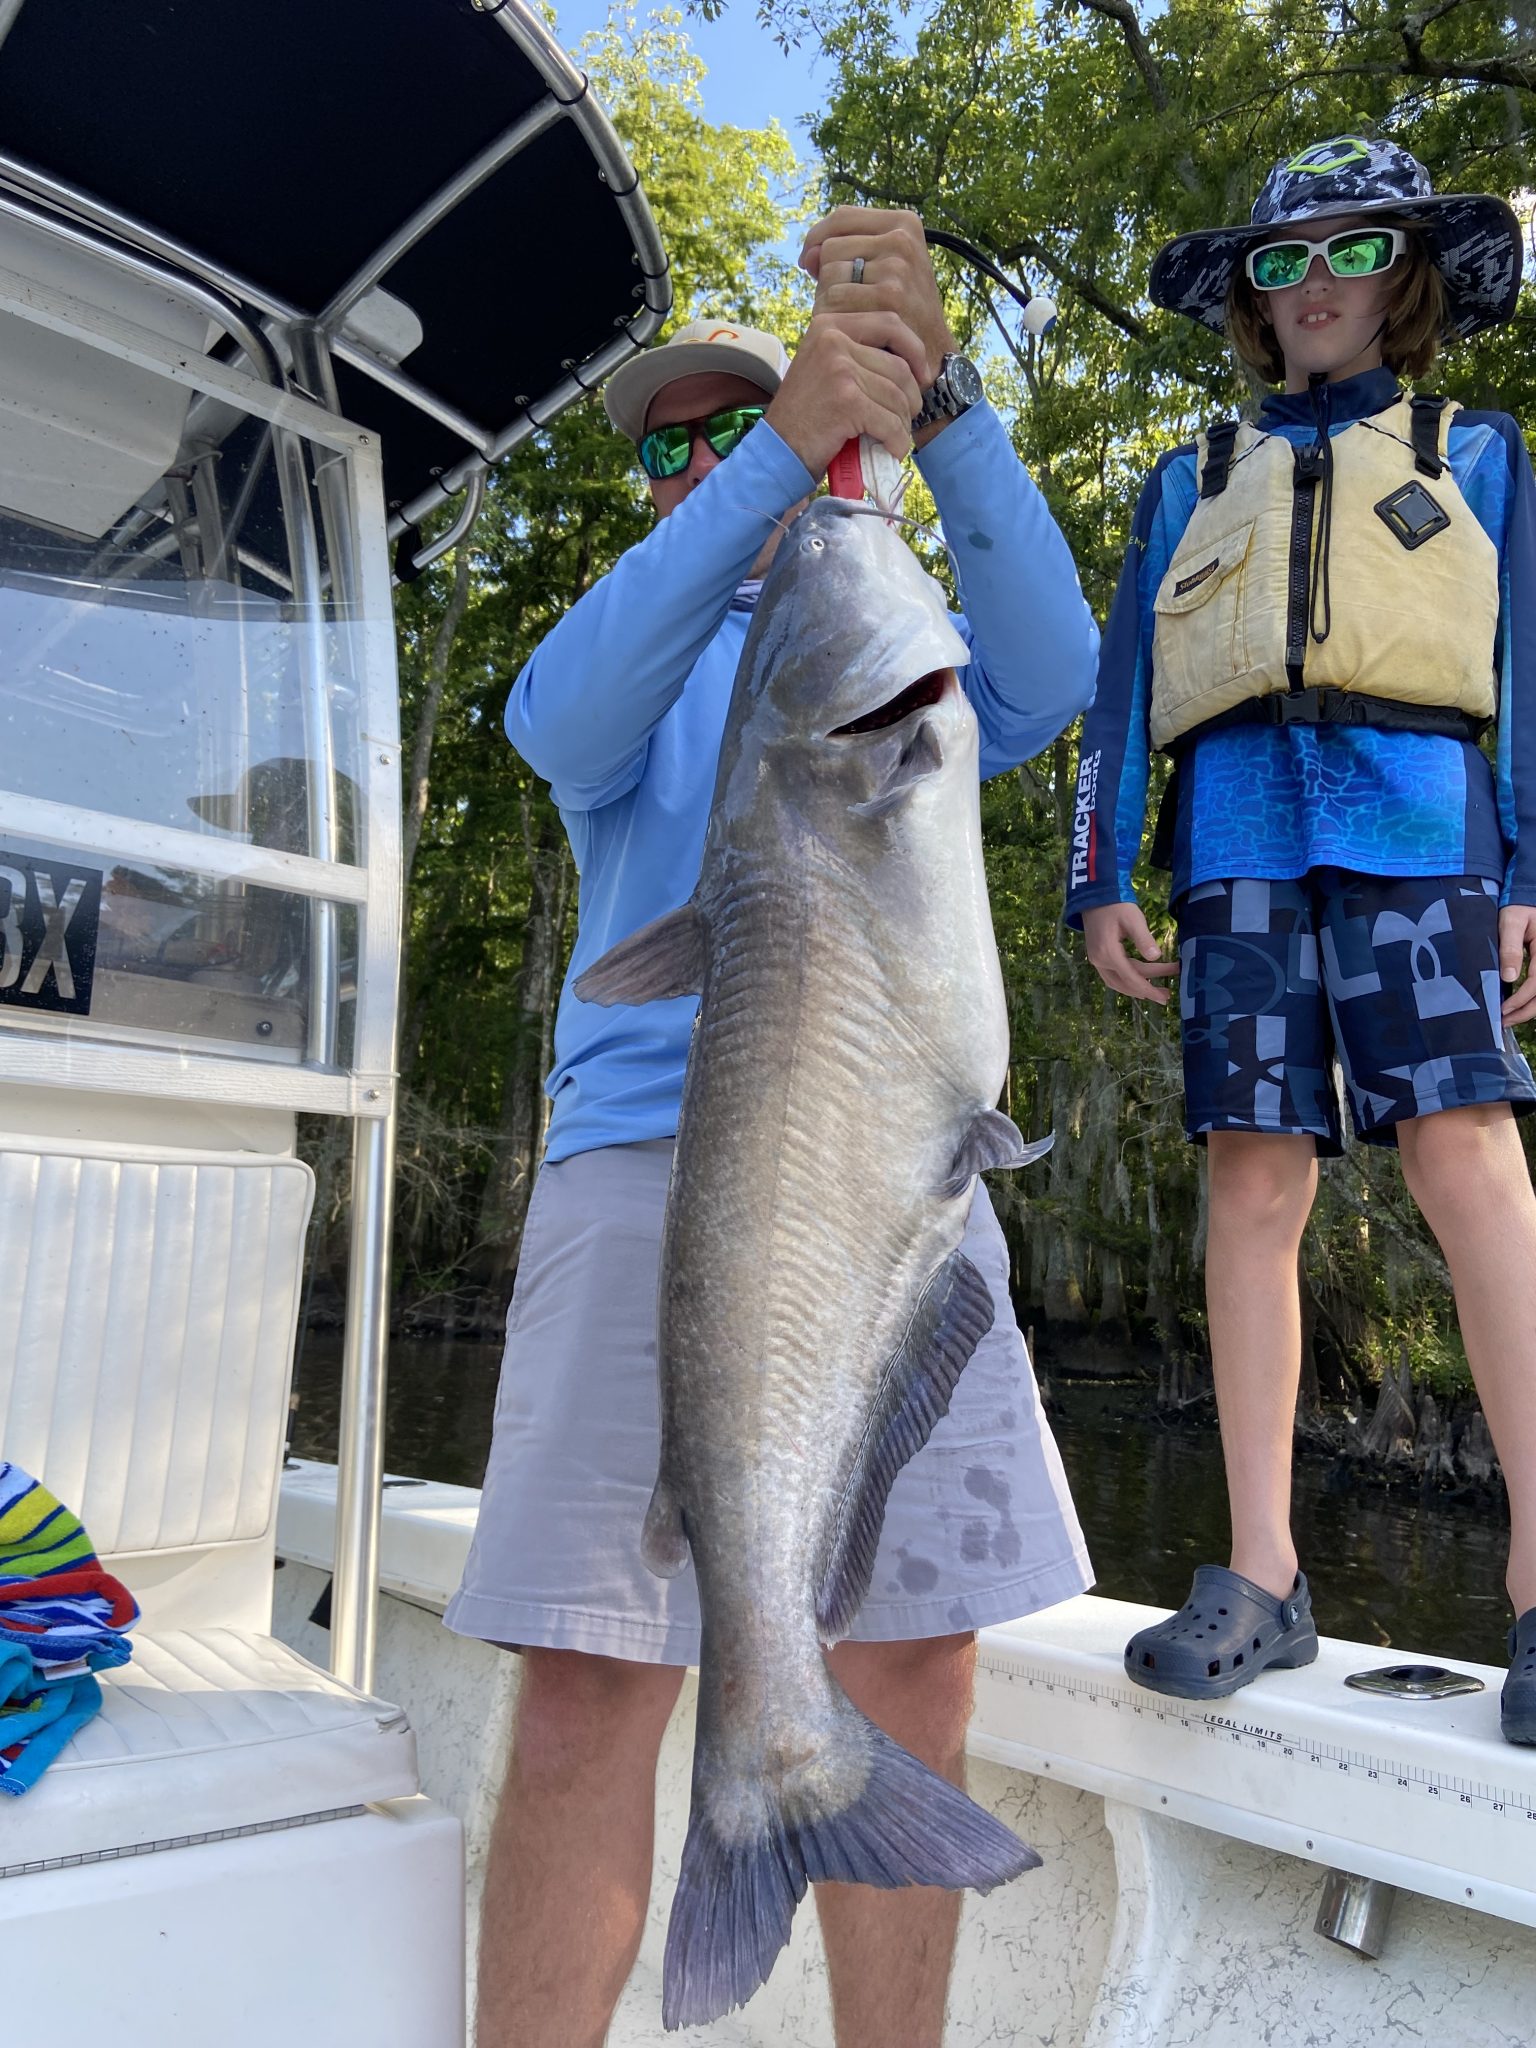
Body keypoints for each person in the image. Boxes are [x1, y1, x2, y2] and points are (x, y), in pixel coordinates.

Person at [446, 204, 1101, 2047]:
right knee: (589, 1684)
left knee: (916, 1661)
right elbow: (552, 714)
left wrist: (934, 402)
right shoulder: (634, 681)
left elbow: (1052, 672)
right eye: (669, 448)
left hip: (899, 1193)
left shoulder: (894, 664)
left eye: (738, 423)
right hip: (648, 1187)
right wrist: (773, 459)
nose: (699, 464)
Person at [1065, 134, 1536, 1744]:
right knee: (1250, 1184)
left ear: (1404, 281)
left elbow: (1529, 670)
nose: (1316, 282)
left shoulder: (1479, 451)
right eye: (1283, 260)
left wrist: (1530, 865)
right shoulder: (1185, 480)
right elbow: (1119, 697)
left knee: (1468, 1161)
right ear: (1252, 301)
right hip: (1237, 852)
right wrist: (1097, 873)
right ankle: (1263, 1574)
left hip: (1425, 836)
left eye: (1353, 251)